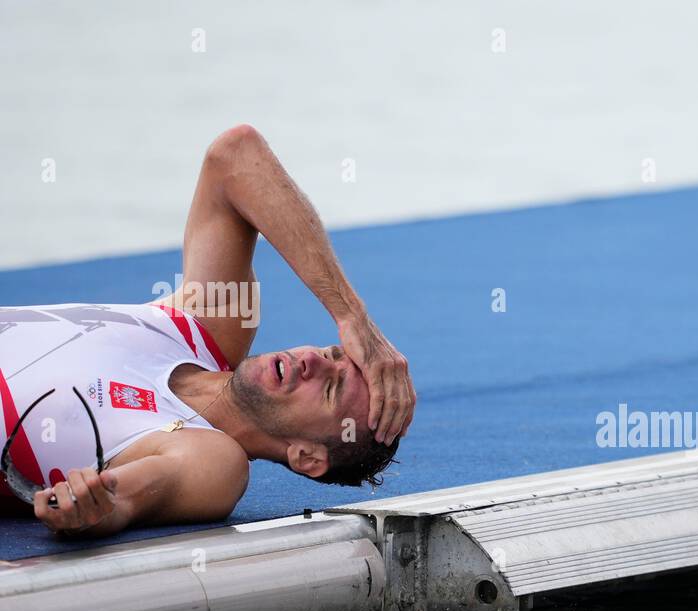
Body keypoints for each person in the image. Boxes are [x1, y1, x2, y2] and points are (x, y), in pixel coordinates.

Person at [0, 124, 415, 536]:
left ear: (306, 457)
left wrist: (93, 507)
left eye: (330, 389)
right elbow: (234, 154)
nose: (311, 361)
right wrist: (352, 317)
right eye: (331, 353)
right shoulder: (210, 326)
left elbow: (121, 498)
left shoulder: (216, 459)